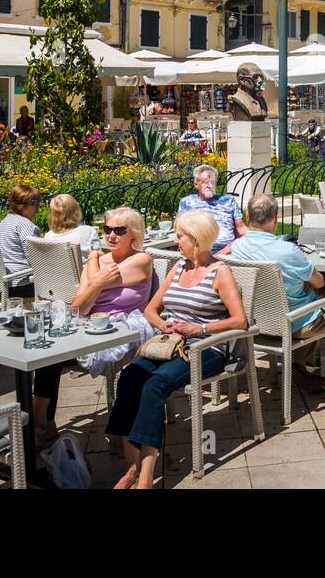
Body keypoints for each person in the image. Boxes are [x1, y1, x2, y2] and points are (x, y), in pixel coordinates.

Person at [107, 210, 248, 490]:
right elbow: (150, 309)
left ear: (197, 240)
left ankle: (146, 476)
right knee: (130, 378)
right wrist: (165, 325)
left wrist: (199, 330)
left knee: (155, 385)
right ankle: (131, 466)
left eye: (180, 236)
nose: (175, 241)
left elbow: (239, 320)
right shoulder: (178, 267)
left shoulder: (220, 272)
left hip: (206, 349)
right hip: (171, 344)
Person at [232, 194, 325, 396]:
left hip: (258, 323)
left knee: (311, 302)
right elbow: (319, 281)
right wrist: (303, 281)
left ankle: (297, 367)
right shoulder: (288, 251)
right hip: (297, 322)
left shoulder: (237, 247)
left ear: (248, 216)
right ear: (276, 218)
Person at [32, 206, 155, 447]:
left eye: (119, 230)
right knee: (47, 355)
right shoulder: (98, 259)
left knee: (52, 356)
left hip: (124, 329)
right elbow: (79, 307)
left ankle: (38, 427)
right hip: (92, 327)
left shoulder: (142, 259)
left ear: (134, 234)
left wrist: (93, 278)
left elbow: (88, 296)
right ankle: (42, 424)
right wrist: (97, 280)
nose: (111, 235)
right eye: (107, 229)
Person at [177, 164, 247, 256]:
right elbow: (180, 230)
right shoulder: (187, 202)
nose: (209, 186)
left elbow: (240, 228)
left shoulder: (228, 200)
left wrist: (259, 235)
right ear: (196, 184)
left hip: (226, 251)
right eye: (205, 182)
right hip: (197, 250)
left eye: (212, 182)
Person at [0, 184, 41, 295]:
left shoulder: (5, 221)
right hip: (20, 285)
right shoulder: (26, 226)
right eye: (34, 203)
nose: (38, 208)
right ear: (22, 205)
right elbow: (36, 260)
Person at [43, 193, 99, 257]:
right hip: (85, 267)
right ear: (76, 209)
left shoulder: (48, 237)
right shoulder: (89, 232)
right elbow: (100, 259)